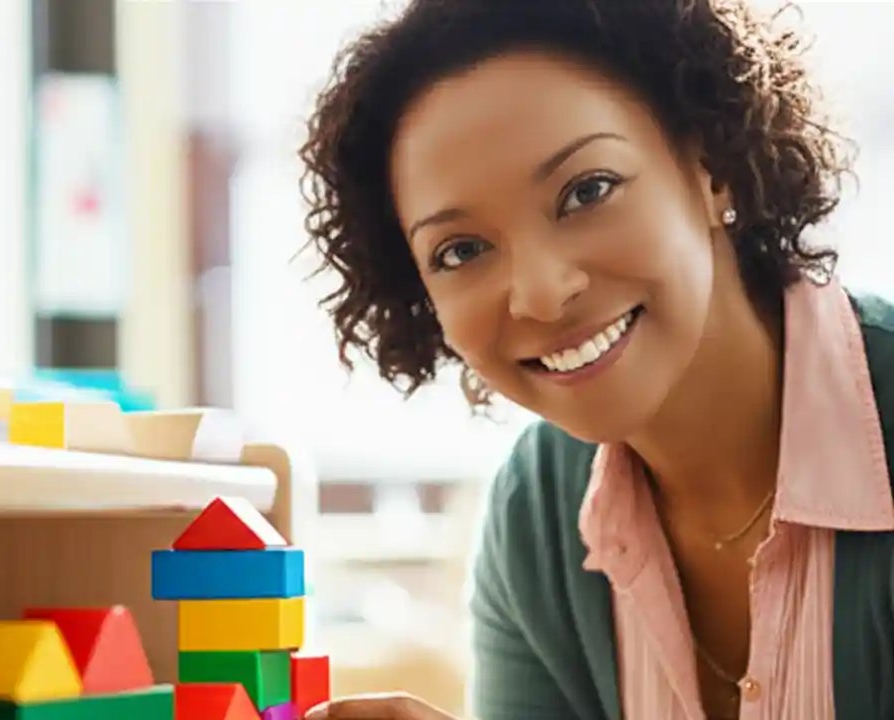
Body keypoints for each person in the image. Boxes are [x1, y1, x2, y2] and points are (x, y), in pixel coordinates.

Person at [297, 1, 894, 718]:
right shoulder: (538, 512)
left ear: (711, 168)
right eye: (461, 251)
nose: (544, 295)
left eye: (587, 191)